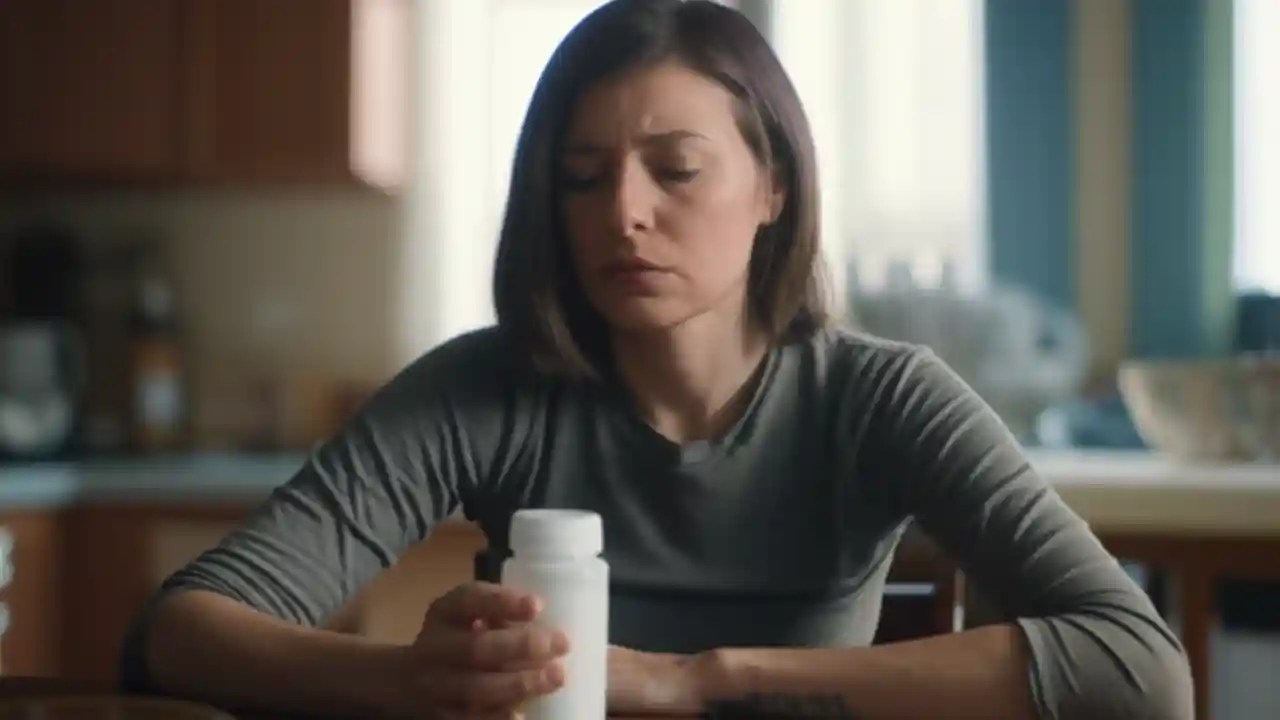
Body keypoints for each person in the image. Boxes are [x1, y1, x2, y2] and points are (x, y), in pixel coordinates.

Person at [124, 1, 1192, 718]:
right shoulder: (483, 390)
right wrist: (409, 680)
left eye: (673, 170)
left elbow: (1139, 670)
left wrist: (700, 680)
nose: (622, 215)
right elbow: (179, 632)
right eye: (582, 178)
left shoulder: (880, 398)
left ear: (772, 187)